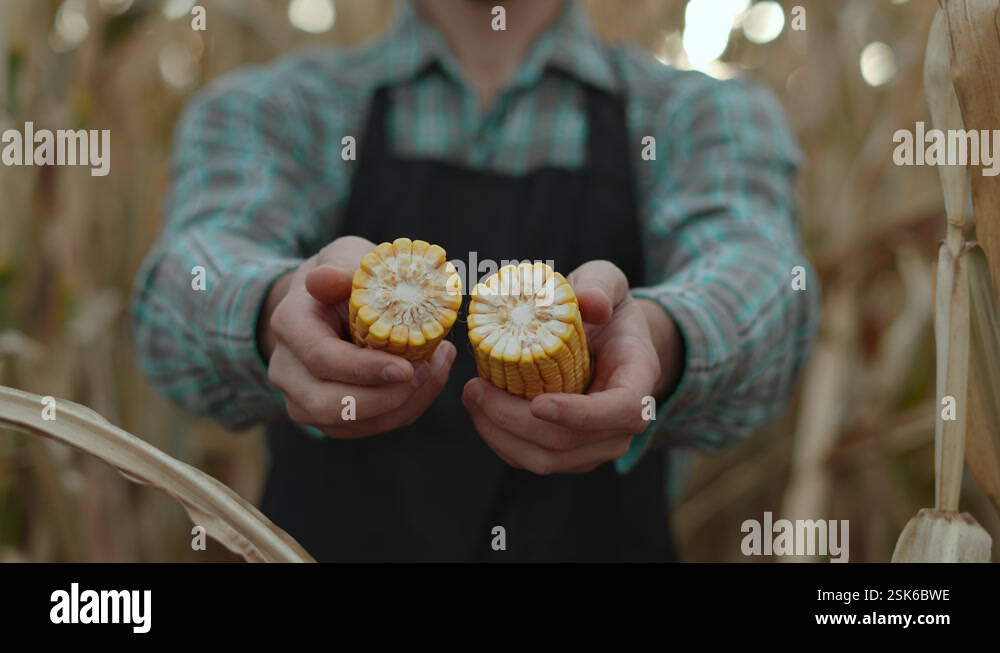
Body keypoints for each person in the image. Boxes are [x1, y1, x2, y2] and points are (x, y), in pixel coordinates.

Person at [132, 0, 819, 562]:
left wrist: (663, 341)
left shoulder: (700, 116)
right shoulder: (274, 108)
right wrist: (272, 308)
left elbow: (764, 281)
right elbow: (180, 284)